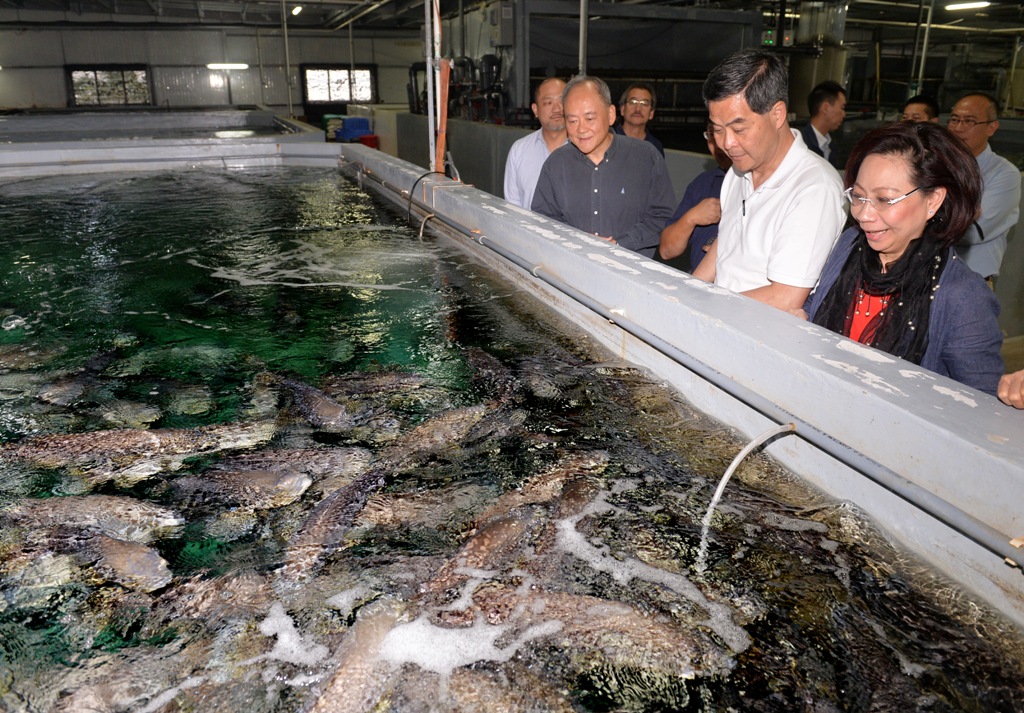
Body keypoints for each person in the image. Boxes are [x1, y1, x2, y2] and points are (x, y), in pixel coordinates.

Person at [802, 121, 1004, 396]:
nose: (863, 215)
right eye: (858, 196)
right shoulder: (851, 244)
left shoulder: (963, 296)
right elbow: (819, 306)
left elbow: (982, 402)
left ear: (933, 200)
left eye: (885, 200)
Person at [693, 49, 845, 312]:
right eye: (717, 130)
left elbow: (784, 297)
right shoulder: (739, 171)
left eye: (739, 129)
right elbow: (725, 246)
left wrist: (702, 307)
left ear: (777, 114)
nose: (727, 143)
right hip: (718, 316)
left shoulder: (814, 187)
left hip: (755, 329)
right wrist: (686, 292)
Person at [531, 75, 676, 258]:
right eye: (572, 121)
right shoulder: (556, 165)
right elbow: (543, 220)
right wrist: (576, 240)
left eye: (590, 118)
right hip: (572, 266)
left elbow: (663, 215)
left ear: (611, 115)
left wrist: (621, 244)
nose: (581, 129)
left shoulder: (646, 157)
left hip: (632, 269)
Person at [947, 92, 1022, 282]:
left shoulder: (1004, 174)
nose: (958, 128)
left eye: (969, 121)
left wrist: (919, 224)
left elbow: (972, 233)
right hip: (922, 278)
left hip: (968, 282)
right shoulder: (938, 165)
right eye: (954, 120)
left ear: (991, 127)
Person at [658, 121, 731, 271]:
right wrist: (691, 218)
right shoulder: (704, 183)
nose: (718, 144)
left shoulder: (762, 183)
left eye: (722, 133)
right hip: (699, 282)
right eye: (712, 135)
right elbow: (666, 251)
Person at [503, 77, 567, 210]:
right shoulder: (519, 151)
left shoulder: (586, 150)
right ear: (535, 110)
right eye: (548, 102)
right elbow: (512, 207)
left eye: (562, 101)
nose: (557, 109)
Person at [798, 80, 846, 167]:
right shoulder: (801, 144)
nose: (844, 114)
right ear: (825, 108)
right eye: (842, 108)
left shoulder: (830, 145)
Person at [613, 83, 664, 156]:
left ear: (651, 113)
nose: (638, 109)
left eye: (644, 103)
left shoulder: (655, 147)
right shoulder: (608, 139)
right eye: (633, 102)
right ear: (622, 109)